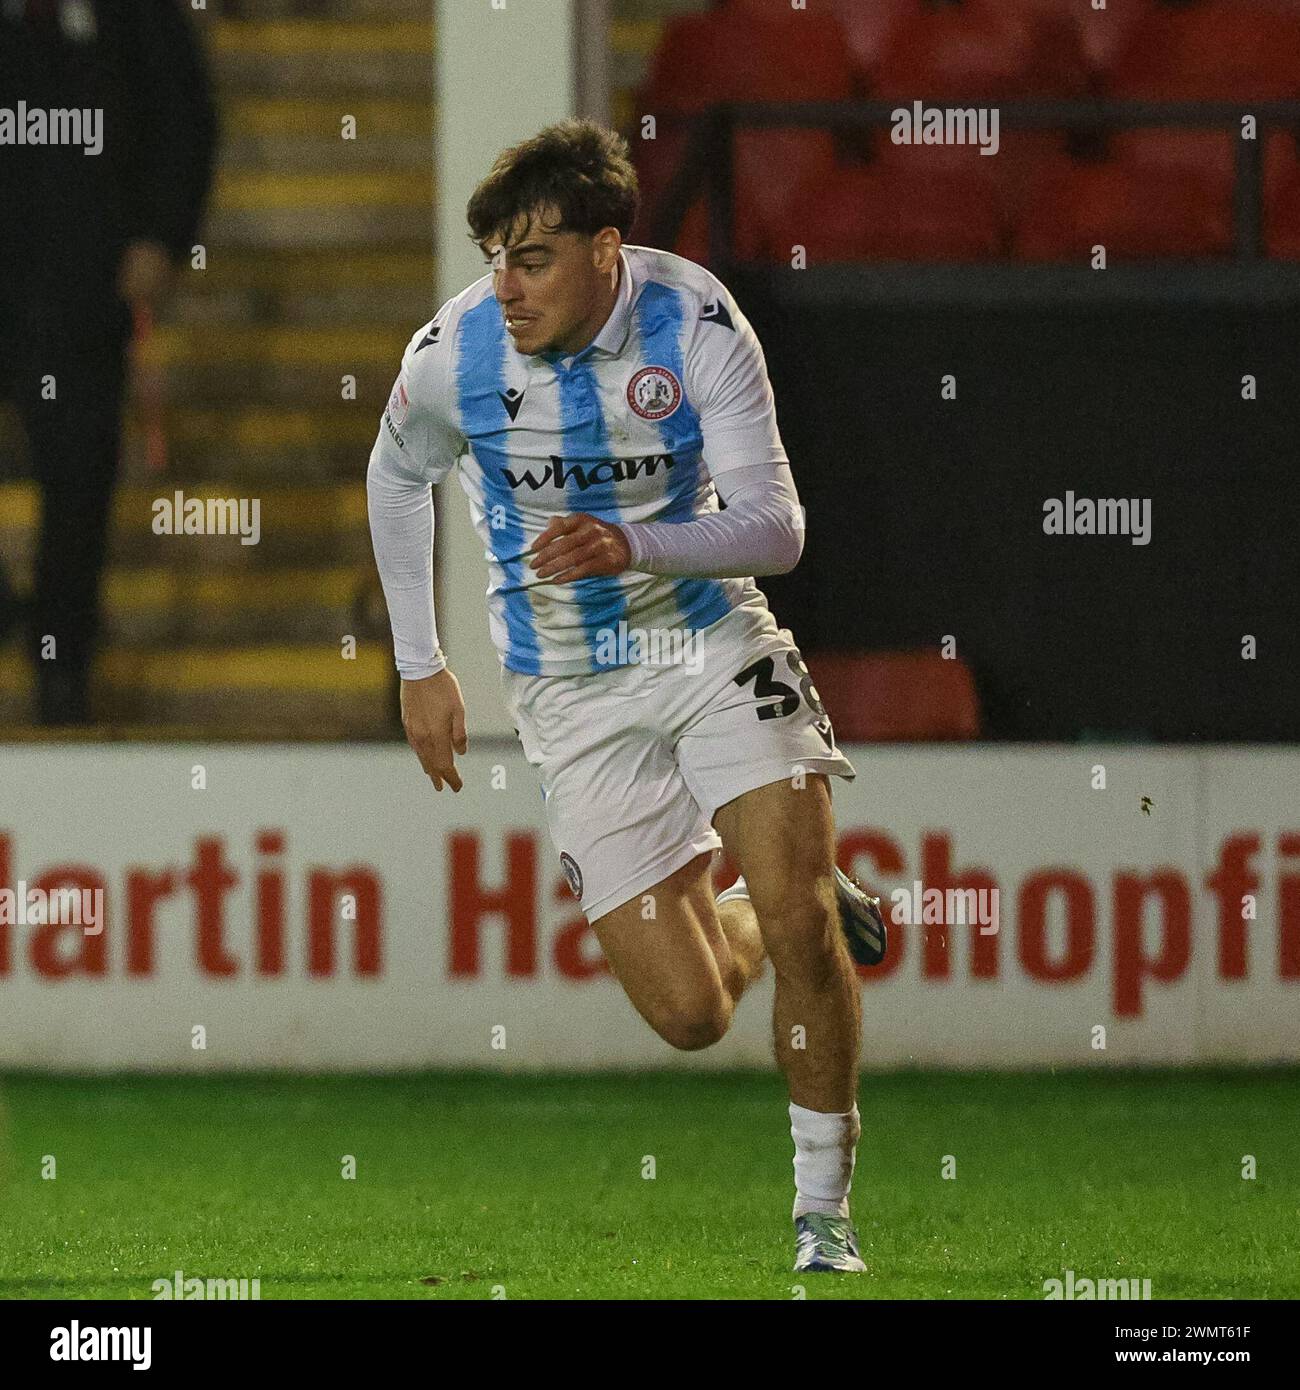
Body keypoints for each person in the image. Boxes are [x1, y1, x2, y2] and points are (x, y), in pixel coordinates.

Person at [366, 119, 887, 1274]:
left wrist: (633, 545)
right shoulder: (455, 351)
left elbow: (779, 529)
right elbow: (393, 475)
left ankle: (822, 1213)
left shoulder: (695, 324)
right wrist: (418, 663)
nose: (504, 285)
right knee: (690, 1013)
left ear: (610, 249)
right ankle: (773, 899)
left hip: (707, 642)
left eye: (533, 258)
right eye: (495, 256)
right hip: (570, 685)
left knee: (801, 920)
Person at [0, 0, 216, 724]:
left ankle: (62, 671)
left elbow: (184, 115)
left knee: (78, 484)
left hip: (83, 288)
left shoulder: (135, 15)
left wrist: (161, 235)